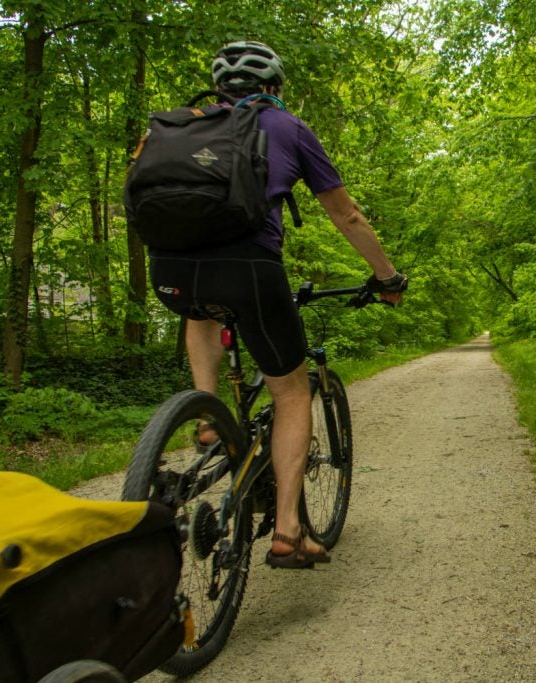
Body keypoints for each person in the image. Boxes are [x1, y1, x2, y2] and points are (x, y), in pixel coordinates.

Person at [148, 40, 407, 569]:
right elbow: (346, 215)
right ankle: (289, 530)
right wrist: (387, 276)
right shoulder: (287, 127)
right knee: (291, 393)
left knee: (201, 309)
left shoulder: (181, 127)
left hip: (170, 270)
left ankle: (208, 411)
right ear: (275, 88)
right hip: (249, 269)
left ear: (219, 87)